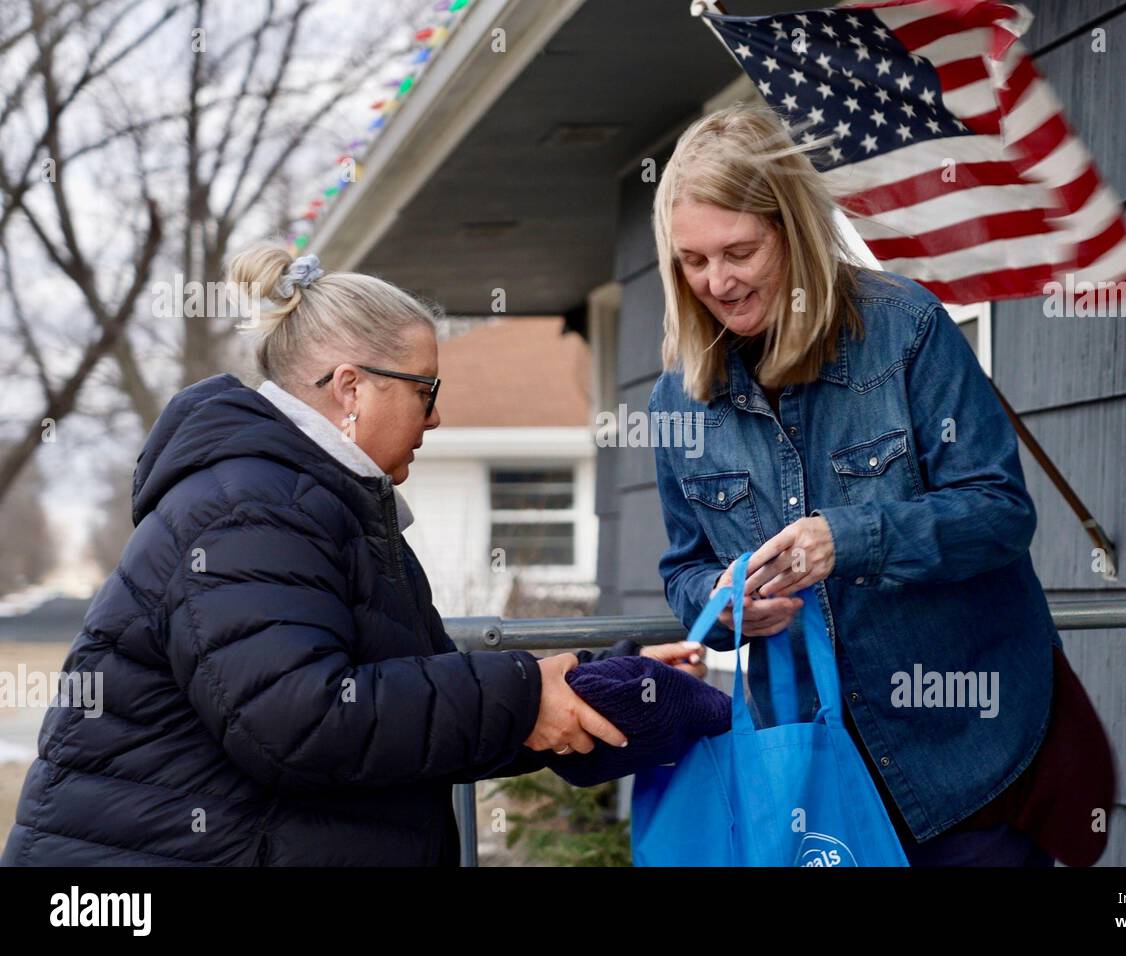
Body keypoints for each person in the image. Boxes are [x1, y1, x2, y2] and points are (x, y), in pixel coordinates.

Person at [1, 243, 702, 866]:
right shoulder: (251, 508)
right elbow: (299, 720)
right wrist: (522, 696)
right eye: (426, 390)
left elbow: (405, 707)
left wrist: (583, 684)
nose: (436, 417)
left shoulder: (317, 503)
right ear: (350, 387)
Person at [648, 105, 1092, 866]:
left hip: (968, 759)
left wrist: (848, 538)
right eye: (692, 261)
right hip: (811, 776)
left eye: (738, 252)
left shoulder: (907, 328)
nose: (716, 282)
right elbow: (683, 571)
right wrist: (726, 602)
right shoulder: (677, 399)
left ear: (791, 230)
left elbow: (999, 514)